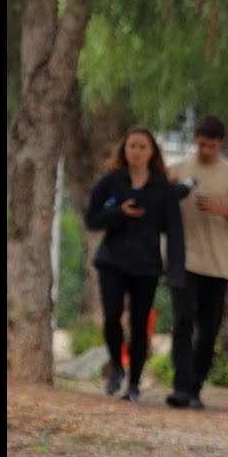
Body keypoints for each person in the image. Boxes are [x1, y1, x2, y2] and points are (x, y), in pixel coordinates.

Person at [84, 127, 186, 404]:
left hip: (146, 264)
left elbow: (174, 230)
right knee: (112, 316)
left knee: (141, 325)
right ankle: (116, 366)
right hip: (112, 261)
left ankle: (134, 382)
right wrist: (119, 212)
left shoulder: (163, 189)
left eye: (142, 147)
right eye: (132, 146)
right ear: (124, 149)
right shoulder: (111, 182)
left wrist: (176, 270)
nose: (136, 152)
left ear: (151, 152)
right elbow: (92, 219)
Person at [164, 116, 228, 411]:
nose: (205, 150)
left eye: (211, 145)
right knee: (182, 321)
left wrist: (220, 210)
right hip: (184, 260)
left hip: (218, 264)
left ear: (221, 144)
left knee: (209, 328)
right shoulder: (177, 171)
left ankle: (195, 387)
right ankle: (179, 386)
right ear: (195, 139)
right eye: (201, 144)